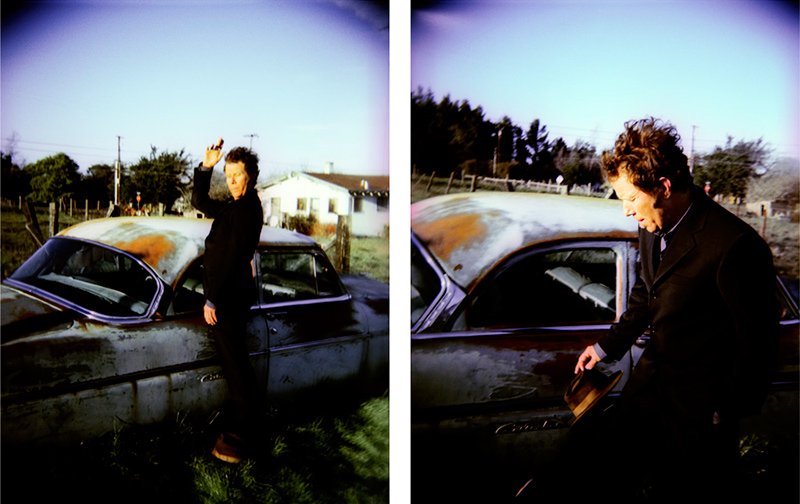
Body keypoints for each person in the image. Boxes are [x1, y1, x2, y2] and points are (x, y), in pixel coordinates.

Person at [569, 118, 780, 499]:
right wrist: (604, 347)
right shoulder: (651, 222)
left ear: (663, 188)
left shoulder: (735, 245)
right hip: (648, 384)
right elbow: (645, 294)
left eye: (630, 199)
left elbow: (760, 340)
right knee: (604, 475)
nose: (626, 211)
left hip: (701, 410)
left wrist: (725, 406)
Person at [191, 139, 264, 464]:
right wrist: (206, 168)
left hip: (228, 301)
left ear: (250, 176)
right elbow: (199, 200)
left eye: (238, 175)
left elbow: (233, 258)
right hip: (227, 297)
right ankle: (246, 427)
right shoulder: (235, 207)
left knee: (237, 369)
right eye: (228, 174)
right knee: (236, 366)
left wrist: (212, 300)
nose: (232, 180)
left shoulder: (247, 210)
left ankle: (248, 437)